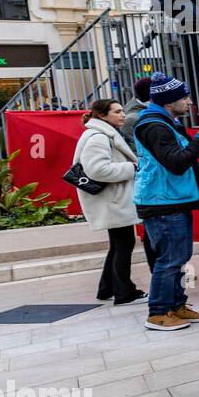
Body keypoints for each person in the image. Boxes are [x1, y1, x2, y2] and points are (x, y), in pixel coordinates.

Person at [132, 73, 199, 330]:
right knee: (169, 259)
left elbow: (188, 161)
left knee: (180, 257)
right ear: (169, 101)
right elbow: (177, 163)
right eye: (184, 97)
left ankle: (176, 306)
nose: (189, 102)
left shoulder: (168, 122)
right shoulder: (154, 126)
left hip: (173, 199)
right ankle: (158, 313)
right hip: (161, 202)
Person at [73, 99, 145, 305]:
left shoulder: (104, 133)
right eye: (117, 112)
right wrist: (133, 168)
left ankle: (107, 288)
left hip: (112, 199)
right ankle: (125, 292)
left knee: (118, 244)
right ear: (102, 116)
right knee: (124, 244)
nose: (123, 115)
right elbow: (97, 170)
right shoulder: (98, 137)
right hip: (112, 200)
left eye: (122, 111)